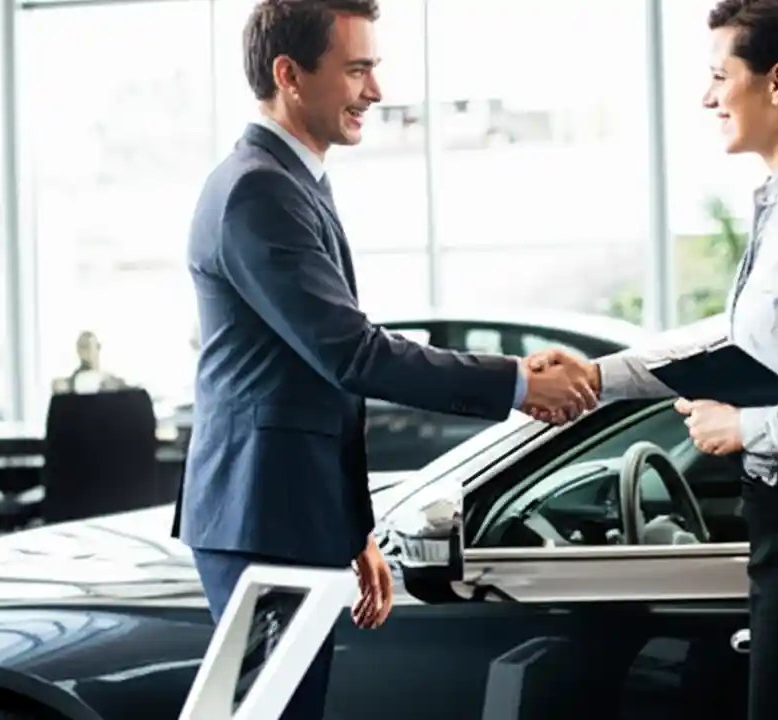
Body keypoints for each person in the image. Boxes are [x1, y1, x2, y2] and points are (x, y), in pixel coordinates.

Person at [177, 1, 595, 717]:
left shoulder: (290, 179)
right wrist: (521, 382)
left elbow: (314, 375)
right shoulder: (258, 190)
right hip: (261, 517)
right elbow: (350, 353)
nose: (375, 90)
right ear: (290, 74)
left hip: (287, 514)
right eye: (358, 69)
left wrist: (351, 528)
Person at [529, 1, 778, 718]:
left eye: (718, 76)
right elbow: (724, 349)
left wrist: (748, 427)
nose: (708, 97)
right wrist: (594, 377)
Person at [50, 331, 126, 394]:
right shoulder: (67, 386)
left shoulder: (111, 381)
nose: (88, 353)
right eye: (84, 347)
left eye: (96, 347)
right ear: (80, 352)